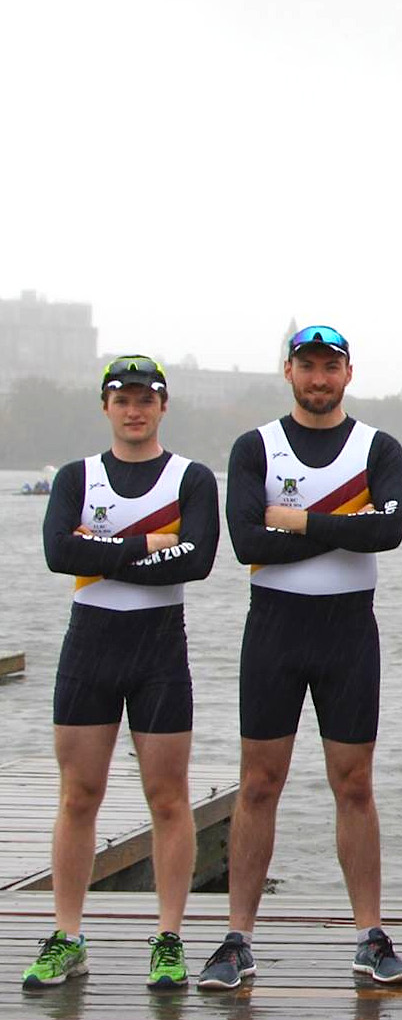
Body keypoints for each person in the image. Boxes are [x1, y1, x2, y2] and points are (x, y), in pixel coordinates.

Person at [199, 325, 402, 990]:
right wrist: (343, 528)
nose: (319, 378)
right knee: (260, 782)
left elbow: (389, 529)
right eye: (307, 366)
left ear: (348, 372)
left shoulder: (377, 446)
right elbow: (243, 539)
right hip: (275, 627)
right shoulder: (254, 446)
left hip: (349, 628)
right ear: (288, 370)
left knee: (354, 783)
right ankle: (238, 937)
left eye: (330, 366)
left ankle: (369, 935)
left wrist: (293, 520)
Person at [26, 357, 218, 990]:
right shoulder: (78, 477)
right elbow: (60, 551)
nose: (134, 410)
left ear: (164, 406)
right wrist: (149, 545)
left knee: (168, 799)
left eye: (146, 399)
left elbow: (197, 558)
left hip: (159, 647)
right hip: (91, 645)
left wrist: (104, 550)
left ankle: (168, 938)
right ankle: (67, 936)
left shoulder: (191, 477)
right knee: (79, 796)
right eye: (122, 399)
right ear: (105, 407)